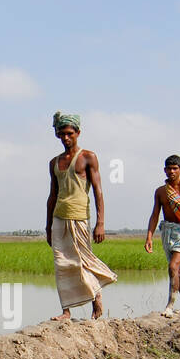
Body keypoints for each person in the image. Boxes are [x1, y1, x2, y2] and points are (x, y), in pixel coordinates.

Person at [46, 112, 116, 321]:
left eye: (69, 133)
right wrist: (48, 226)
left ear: (78, 132)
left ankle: (96, 299)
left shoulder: (88, 157)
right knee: (62, 264)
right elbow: (52, 195)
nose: (65, 138)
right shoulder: (54, 162)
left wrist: (100, 223)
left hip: (79, 217)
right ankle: (66, 310)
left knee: (83, 261)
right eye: (61, 134)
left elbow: (98, 191)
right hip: (59, 216)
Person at [144, 155, 180, 316]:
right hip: (167, 231)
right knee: (179, 270)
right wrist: (149, 236)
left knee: (173, 267)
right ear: (165, 170)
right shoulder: (161, 192)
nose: (171, 171)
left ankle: (170, 305)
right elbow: (155, 214)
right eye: (169, 168)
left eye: (175, 168)